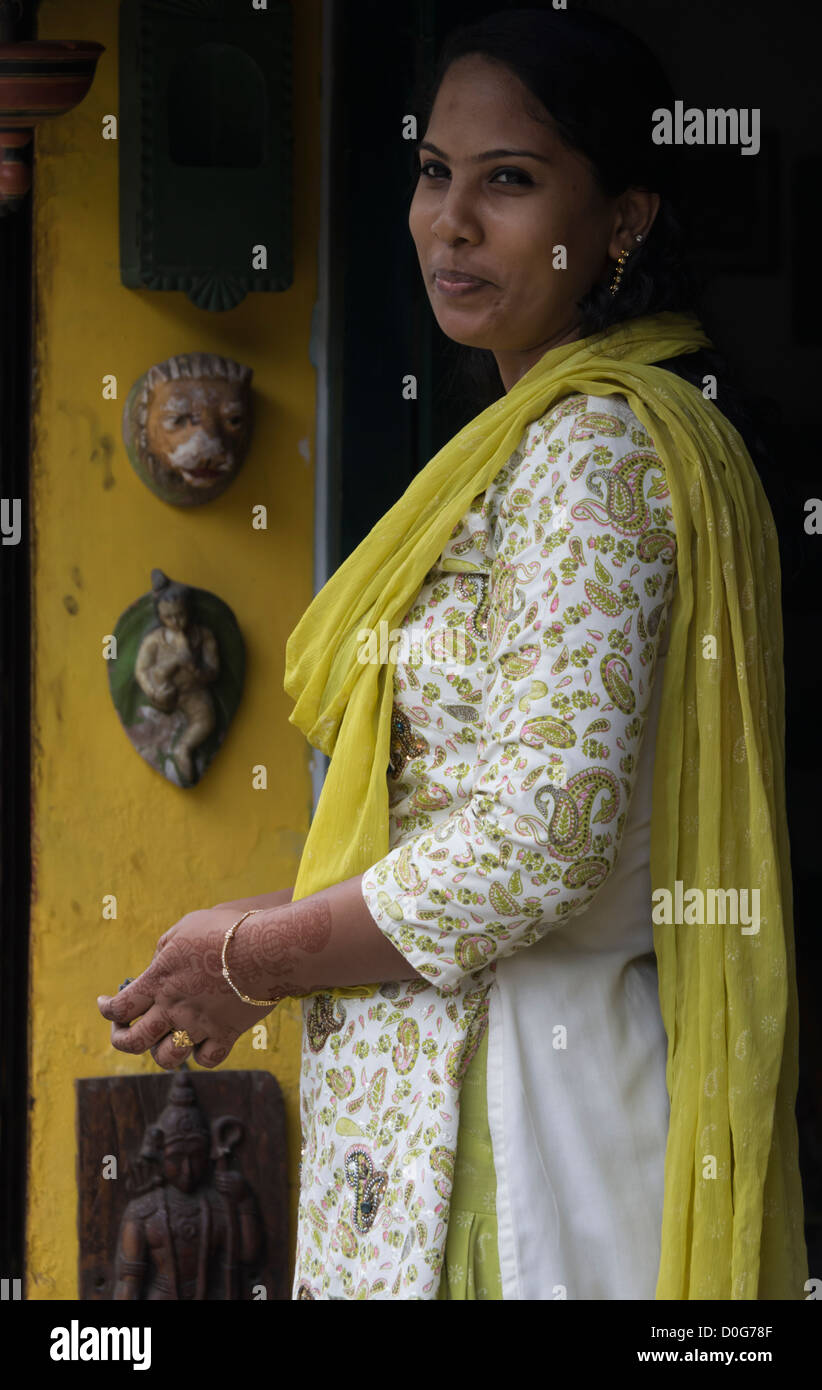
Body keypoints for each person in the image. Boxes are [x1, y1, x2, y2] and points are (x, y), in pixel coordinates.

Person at [98, 8, 808, 1300]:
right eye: (436, 172)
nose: (450, 222)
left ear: (622, 219)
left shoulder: (590, 454)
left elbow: (541, 834)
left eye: (511, 180)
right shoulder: (547, 441)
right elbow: (480, 815)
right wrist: (246, 931)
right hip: (482, 1088)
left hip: (520, 1117)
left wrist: (251, 958)